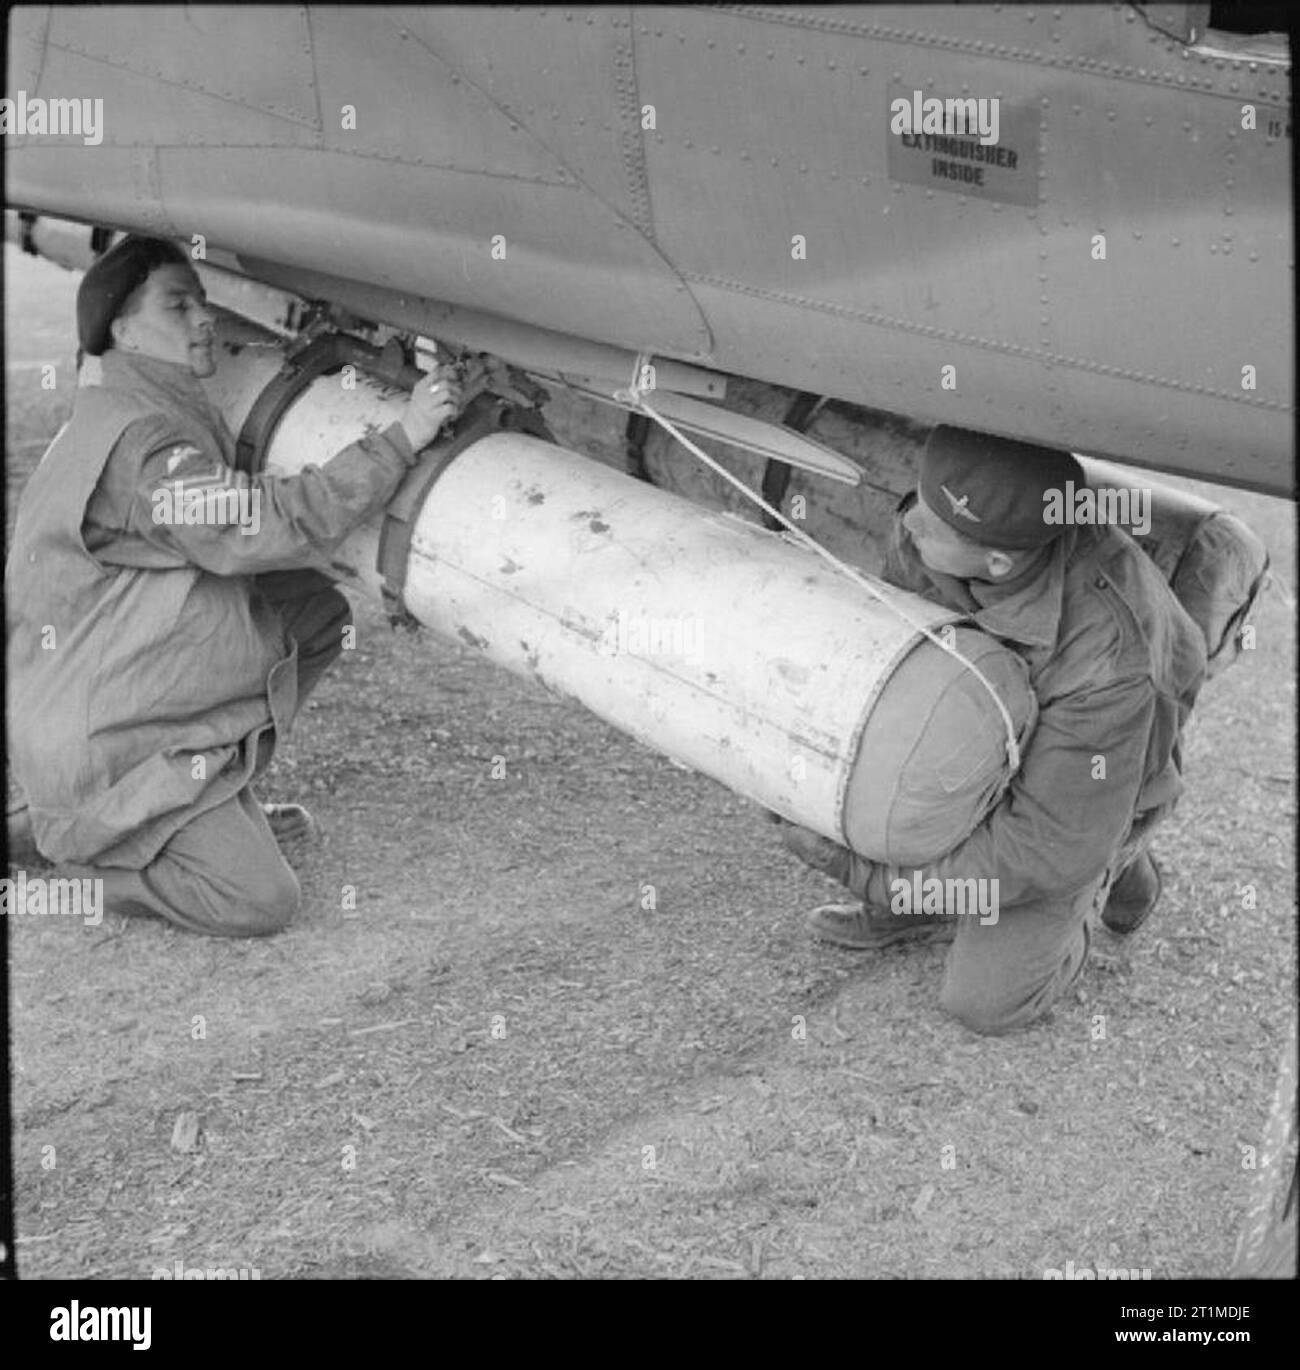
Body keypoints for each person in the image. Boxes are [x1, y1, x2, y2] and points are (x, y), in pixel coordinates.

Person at [5, 234, 461, 936]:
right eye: (177, 306)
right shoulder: (145, 447)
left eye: (203, 301)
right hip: (101, 736)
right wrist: (401, 438)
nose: (204, 319)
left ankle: (197, 795)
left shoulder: (123, 410)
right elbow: (257, 523)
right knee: (259, 901)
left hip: (80, 703)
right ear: (123, 330)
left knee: (311, 614)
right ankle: (88, 864)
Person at [774, 425, 1207, 1034]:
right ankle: (931, 896)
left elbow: (1041, 847)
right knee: (888, 760)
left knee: (985, 1004)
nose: (911, 524)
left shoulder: (1108, 665)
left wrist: (873, 877)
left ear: (998, 561)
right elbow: (893, 666)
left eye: (932, 525)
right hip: (1009, 734)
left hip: (1088, 787)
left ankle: (1118, 857)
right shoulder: (938, 531)